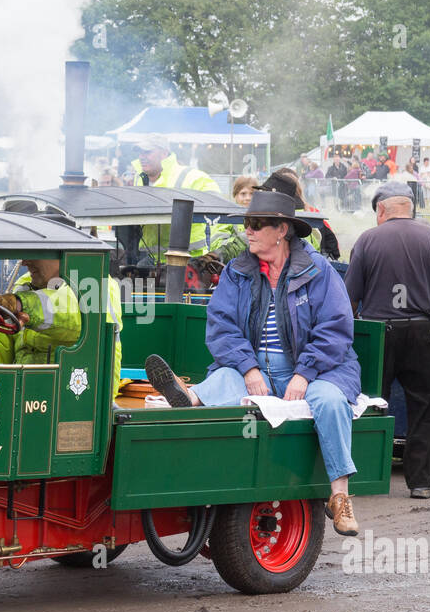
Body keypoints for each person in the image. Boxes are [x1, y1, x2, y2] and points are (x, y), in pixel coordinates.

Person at [144, 190, 363, 536]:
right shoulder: (237, 271)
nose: (248, 231)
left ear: (281, 231)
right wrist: (248, 368)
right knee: (223, 383)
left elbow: (336, 330)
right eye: (246, 224)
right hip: (257, 369)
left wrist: (304, 374)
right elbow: (221, 326)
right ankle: (188, 397)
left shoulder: (319, 271)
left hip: (318, 369)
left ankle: (340, 498)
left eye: (256, 225)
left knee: (331, 402)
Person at [343, 182, 430, 499]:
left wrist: (348, 339)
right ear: (410, 207)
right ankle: (421, 483)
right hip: (423, 331)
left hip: (378, 332)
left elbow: (349, 300)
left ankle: (366, 478)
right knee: (426, 409)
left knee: (370, 404)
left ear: (381, 209)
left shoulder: (367, 240)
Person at [0, 238, 124, 399]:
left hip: (81, 399)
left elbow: (71, 314)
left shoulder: (97, 284)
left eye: (34, 253)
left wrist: (21, 303)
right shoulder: (25, 283)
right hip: (30, 399)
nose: (25, 262)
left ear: (61, 254)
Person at [127, 133, 222, 264]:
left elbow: (220, 211)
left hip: (190, 260)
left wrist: (215, 252)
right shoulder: (139, 178)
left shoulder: (192, 177)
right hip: (152, 259)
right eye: (140, 152)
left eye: (147, 152)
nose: (142, 157)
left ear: (164, 153)